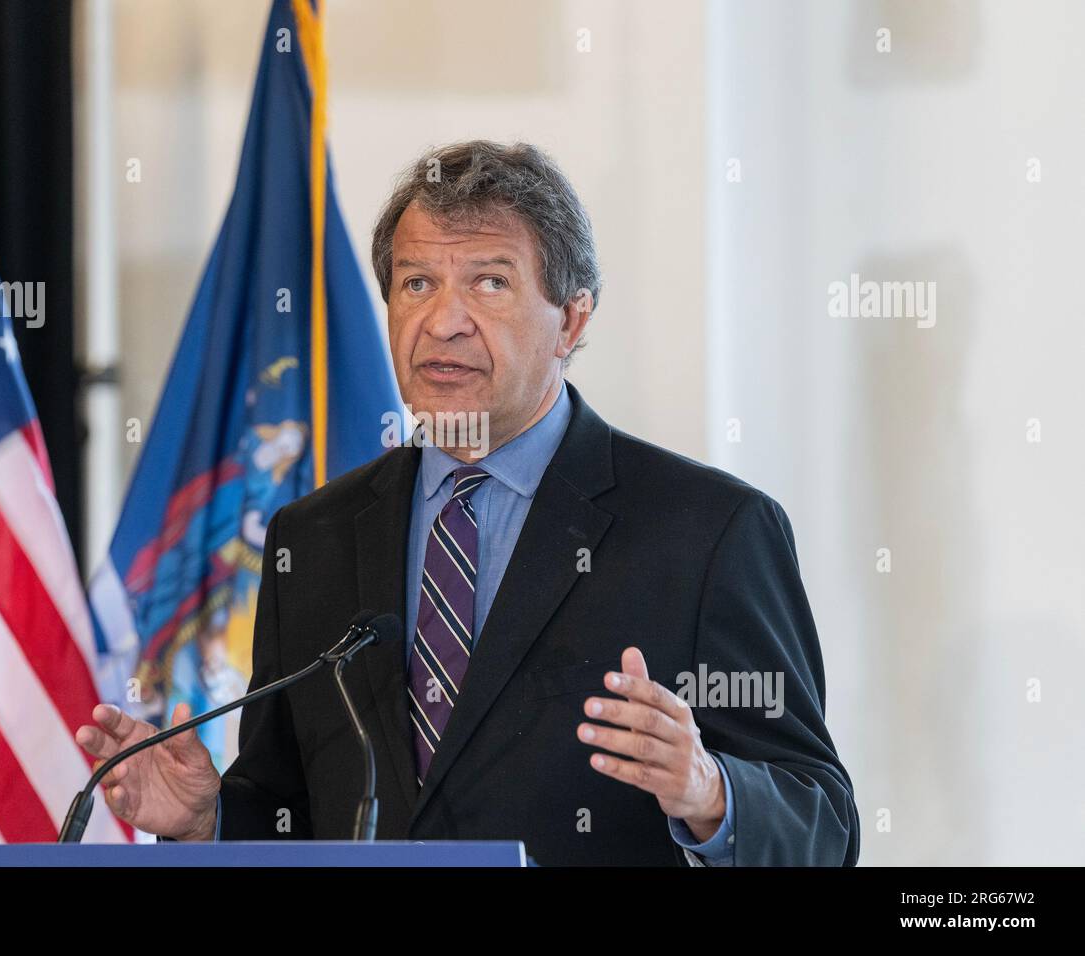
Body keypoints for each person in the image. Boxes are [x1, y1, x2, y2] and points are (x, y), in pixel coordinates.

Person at [76, 141, 859, 866]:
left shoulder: (708, 532)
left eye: (489, 281)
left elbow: (821, 824)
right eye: (417, 283)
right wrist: (212, 819)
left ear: (571, 321)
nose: (444, 322)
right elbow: (300, 814)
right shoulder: (308, 538)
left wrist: (709, 792)